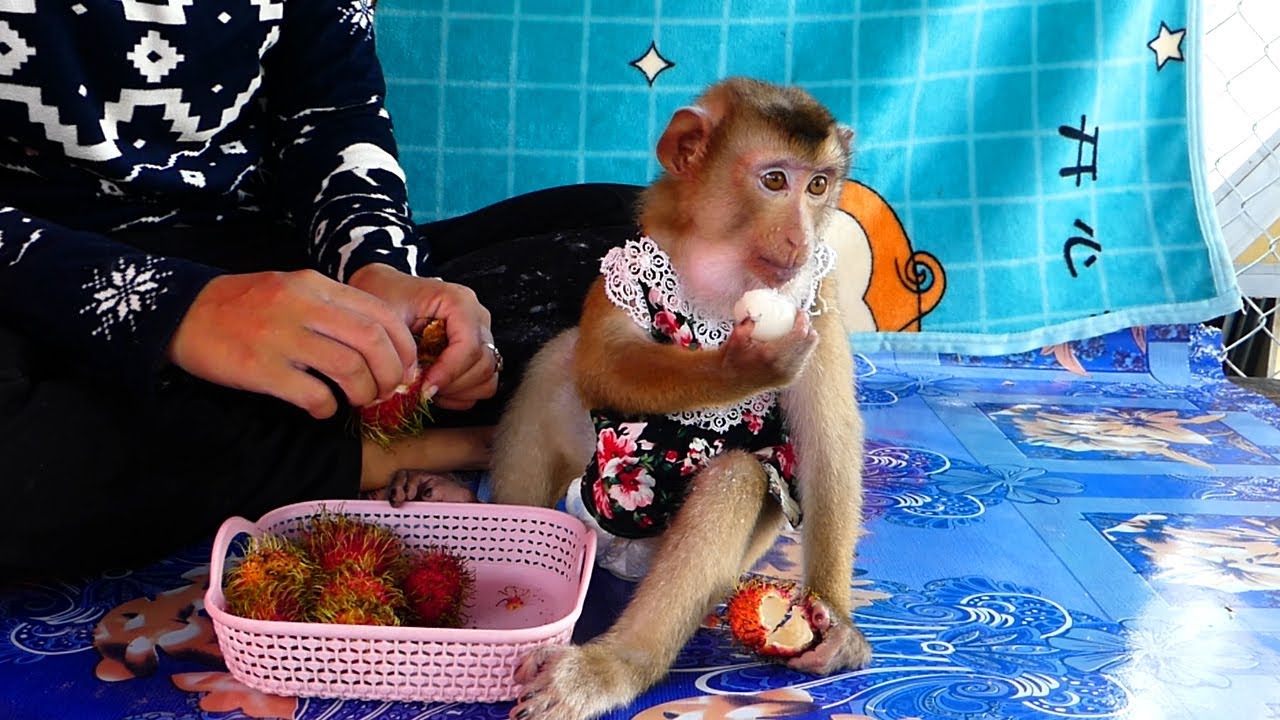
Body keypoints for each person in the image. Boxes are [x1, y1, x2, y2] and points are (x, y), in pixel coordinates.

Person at [0, 1, 640, 575]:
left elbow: (333, 113)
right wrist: (177, 310)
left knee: (639, 244)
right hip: (32, 290)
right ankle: (396, 451)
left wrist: (379, 271)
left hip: (267, 274)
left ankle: (242, 444)